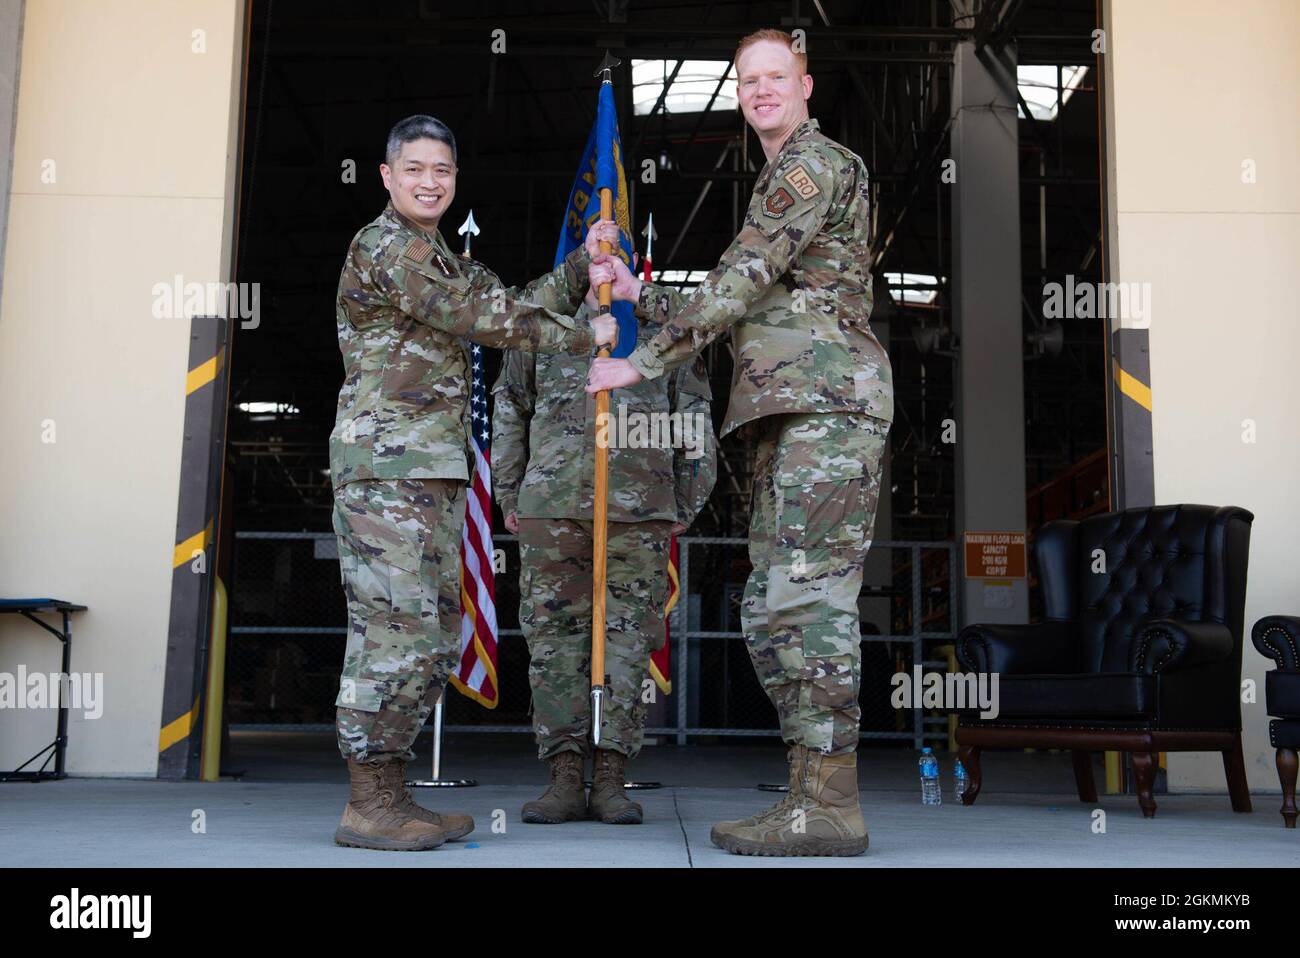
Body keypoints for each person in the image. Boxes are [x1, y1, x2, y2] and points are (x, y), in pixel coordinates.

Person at [585, 29, 893, 856]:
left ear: (806, 85)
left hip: (825, 407)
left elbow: (745, 278)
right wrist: (642, 297)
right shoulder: (777, 177)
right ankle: (808, 794)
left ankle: (830, 800)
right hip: (789, 413)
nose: (761, 90)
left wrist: (638, 361)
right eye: (748, 80)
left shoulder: (809, 164)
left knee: (807, 602)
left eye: (775, 77)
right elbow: (750, 292)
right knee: (775, 605)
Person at [329, 114, 617, 851]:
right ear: (388, 175)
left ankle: (391, 794)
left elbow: (517, 297)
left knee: (427, 634)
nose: (431, 181)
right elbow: (484, 316)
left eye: (444, 172)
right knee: (389, 632)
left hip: (432, 470)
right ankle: (367, 801)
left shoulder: (443, 257)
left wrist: (582, 267)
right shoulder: (385, 246)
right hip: (386, 470)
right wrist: (588, 334)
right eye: (416, 169)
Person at [493, 284, 716, 825]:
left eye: (611, 245)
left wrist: (687, 497)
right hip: (553, 504)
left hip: (638, 508)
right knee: (553, 642)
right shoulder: (542, 320)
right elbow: (510, 405)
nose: (601, 260)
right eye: (592, 245)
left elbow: (693, 416)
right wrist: (510, 490)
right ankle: (564, 775)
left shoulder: (666, 323)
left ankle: (612, 777)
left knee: (627, 643)